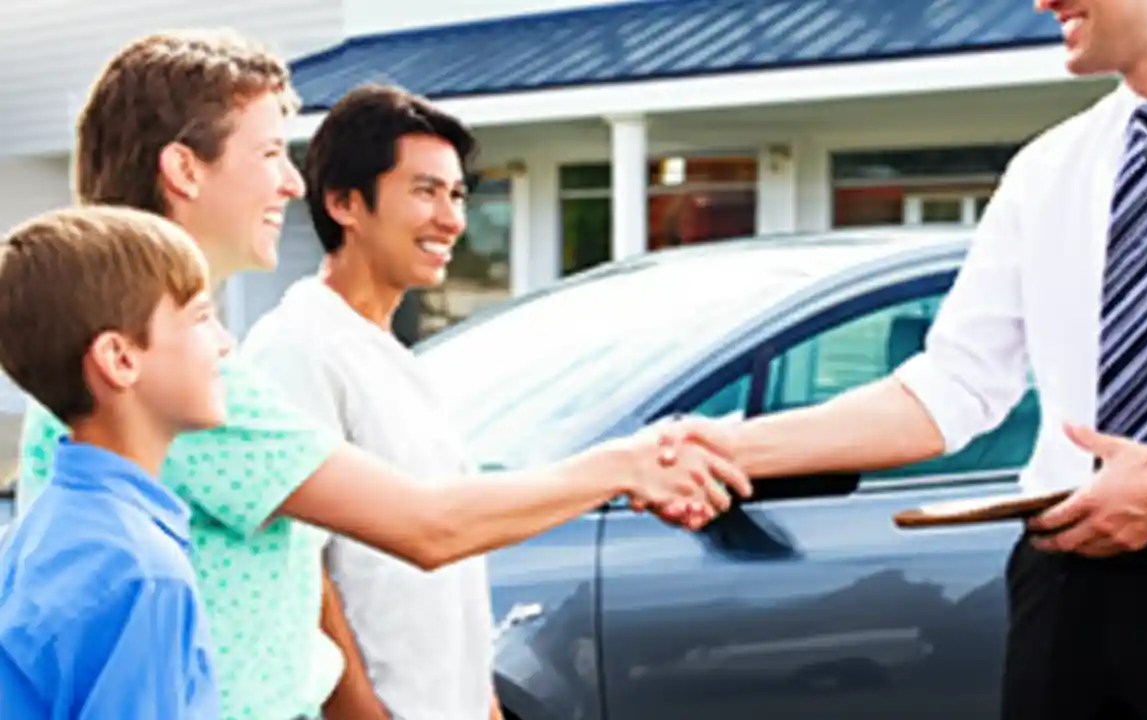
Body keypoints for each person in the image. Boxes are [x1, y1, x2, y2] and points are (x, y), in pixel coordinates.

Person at [15, 31, 749, 720]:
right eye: (270, 153)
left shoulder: (156, 362)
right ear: (183, 168)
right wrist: (624, 464)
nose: (291, 185)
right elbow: (427, 526)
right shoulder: (166, 383)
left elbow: (291, 590)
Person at [704, 0, 1147, 717]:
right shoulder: (1046, 168)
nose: (1041, 1)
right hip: (1063, 585)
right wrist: (722, 447)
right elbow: (951, 387)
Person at [240, 83, 499, 720]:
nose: (451, 219)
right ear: (345, 204)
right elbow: (299, 562)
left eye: (456, 194)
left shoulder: (393, 356)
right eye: (424, 191)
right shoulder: (298, 346)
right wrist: (359, 709)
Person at [0, 206, 230, 719]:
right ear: (119, 358)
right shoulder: (143, 573)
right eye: (200, 317)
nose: (224, 343)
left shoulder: (40, 530)